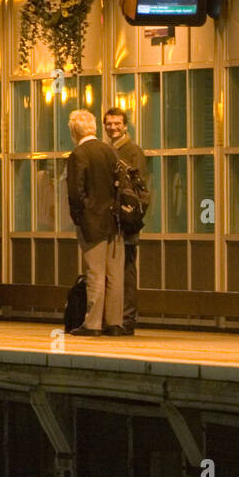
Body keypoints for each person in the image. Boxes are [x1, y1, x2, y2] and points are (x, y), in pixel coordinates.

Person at [66, 109, 126, 336]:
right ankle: (114, 322)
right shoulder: (110, 151)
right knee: (114, 275)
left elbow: (75, 192)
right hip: (114, 221)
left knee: (95, 273)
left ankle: (92, 323)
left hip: (92, 223)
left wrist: (80, 218)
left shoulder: (78, 154)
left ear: (74, 130)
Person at [103, 106, 148, 334]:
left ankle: (127, 318)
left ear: (125, 125)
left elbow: (141, 189)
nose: (113, 127)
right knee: (115, 270)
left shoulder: (133, 151)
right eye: (109, 124)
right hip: (113, 220)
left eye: (117, 124)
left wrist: (134, 216)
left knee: (127, 269)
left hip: (126, 219)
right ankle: (115, 317)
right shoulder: (107, 150)